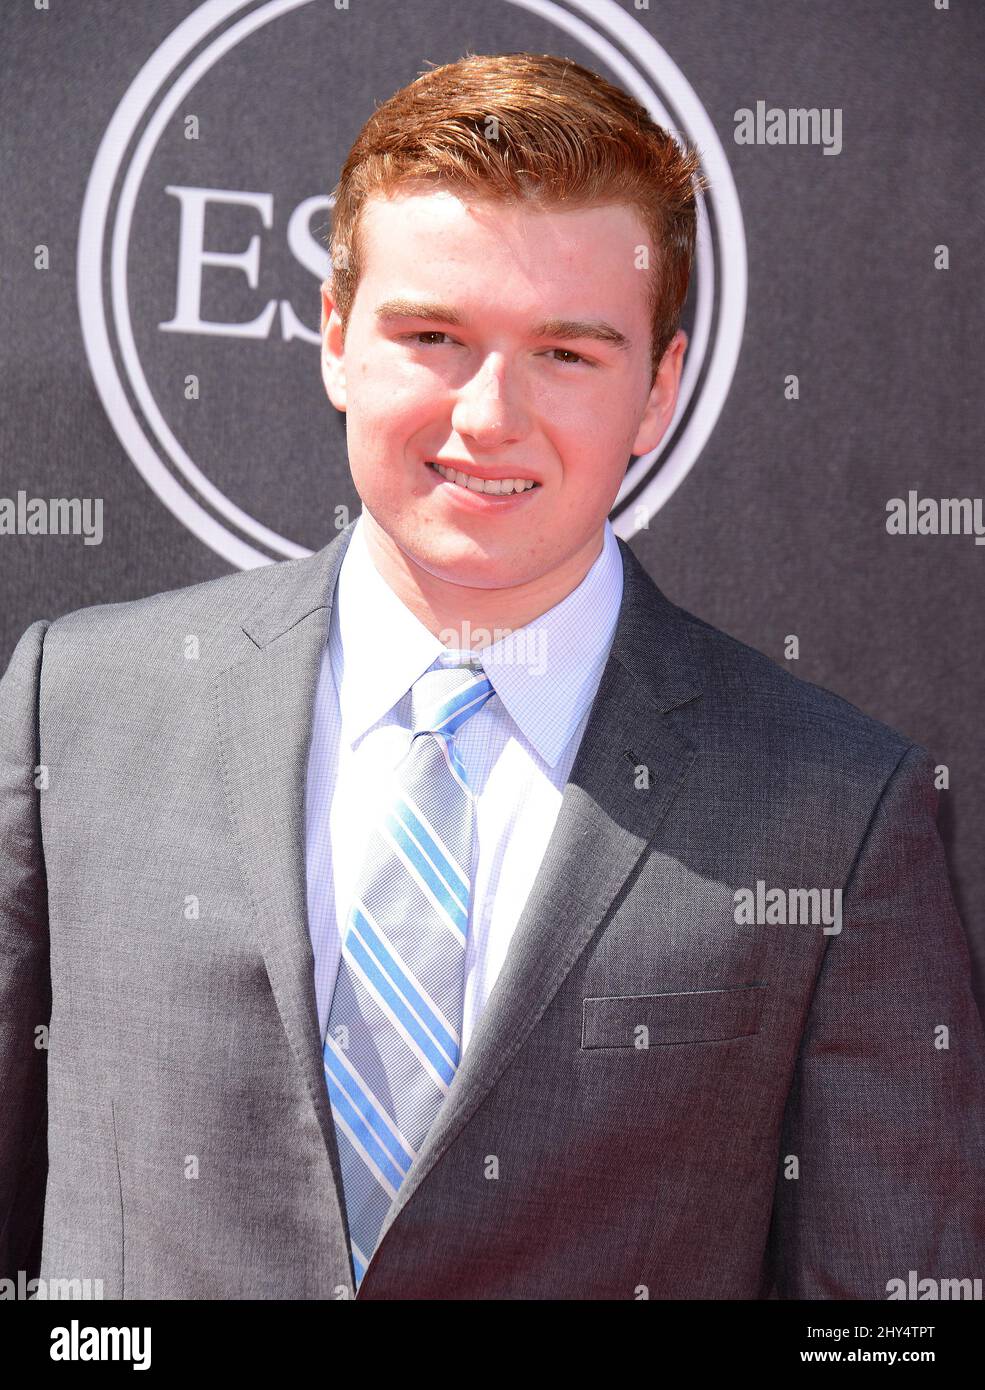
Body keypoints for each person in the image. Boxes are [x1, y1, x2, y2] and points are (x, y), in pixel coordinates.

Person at [1, 51, 983, 1301]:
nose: (487, 416)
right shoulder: (75, 707)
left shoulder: (834, 812)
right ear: (334, 341)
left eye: (568, 354)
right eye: (432, 336)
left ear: (657, 390)